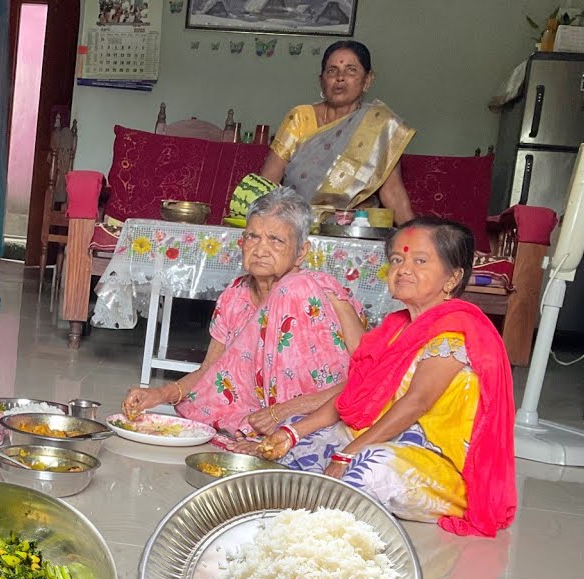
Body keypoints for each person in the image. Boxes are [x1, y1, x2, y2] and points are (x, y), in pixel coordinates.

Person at [250, 218, 516, 537]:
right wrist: (292, 432)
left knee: (367, 465)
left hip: (437, 461)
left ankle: (316, 527)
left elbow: (416, 402)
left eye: (420, 261)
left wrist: (347, 453)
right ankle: (293, 512)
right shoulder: (396, 329)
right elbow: (356, 394)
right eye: (397, 259)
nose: (404, 269)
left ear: (452, 278)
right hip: (392, 437)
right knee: (301, 438)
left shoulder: (453, 334)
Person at [121, 187, 365, 437]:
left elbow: (368, 375)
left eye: (276, 240)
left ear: (301, 252)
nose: (260, 250)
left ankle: (285, 430)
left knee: (293, 287)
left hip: (322, 411)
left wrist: (282, 413)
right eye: (252, 237)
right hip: (259, 412)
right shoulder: (235, 295)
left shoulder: (320, 290)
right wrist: (159, 394)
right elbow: (210, 371)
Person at [259, 40, 415, 225]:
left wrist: (418, 235)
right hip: (295, 224)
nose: (340, 78)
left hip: (351, 228)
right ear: (321, 80)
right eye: (332, 71)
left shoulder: (380, 125)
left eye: (351, 70)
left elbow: (393, 193)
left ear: (367, 80)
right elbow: (267, 183)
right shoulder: (300, 118)